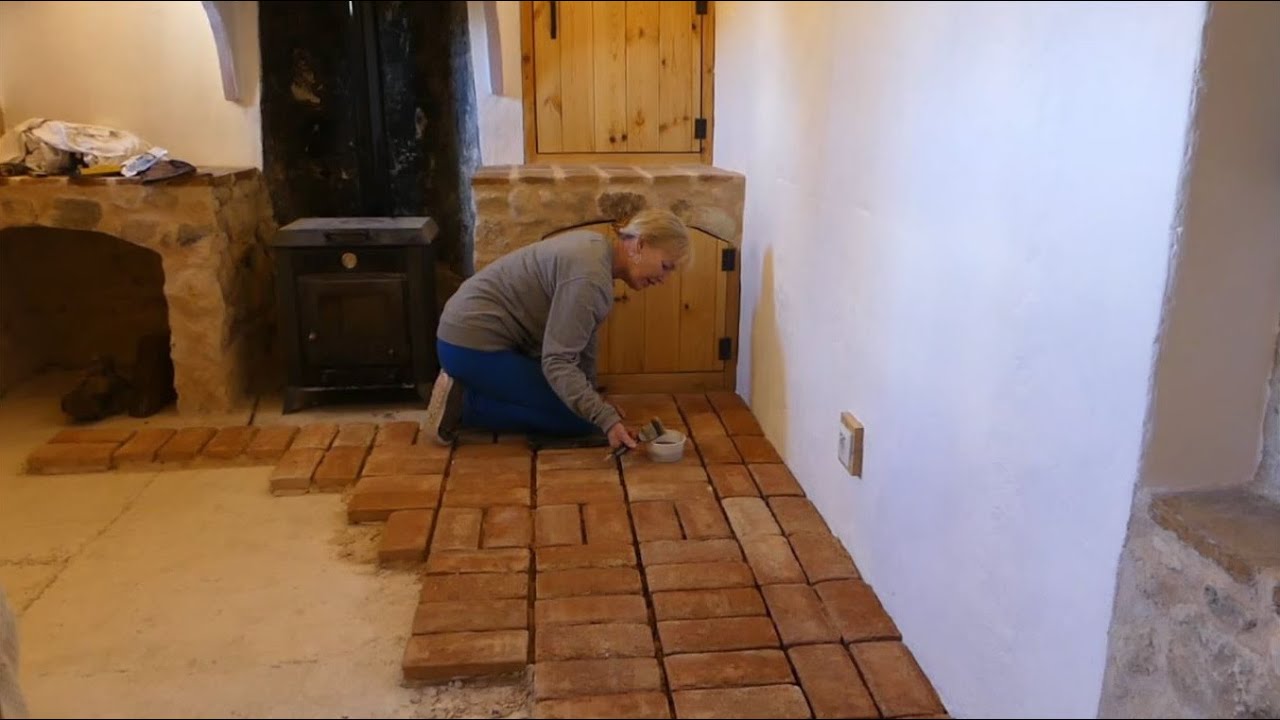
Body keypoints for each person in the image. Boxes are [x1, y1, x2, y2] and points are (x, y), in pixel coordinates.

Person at [424, 208, 691, 449]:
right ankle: (467, 405)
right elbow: (558, 361)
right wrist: (601, 418)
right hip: (470, 346)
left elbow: (581, 343)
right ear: (640, 245)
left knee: (583, 411)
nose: (664, 279)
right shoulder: (590, 278)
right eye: (665, 266)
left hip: (469, 340)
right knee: (580, 423)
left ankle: (476, 390)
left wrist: (592, 400)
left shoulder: (596, 251)